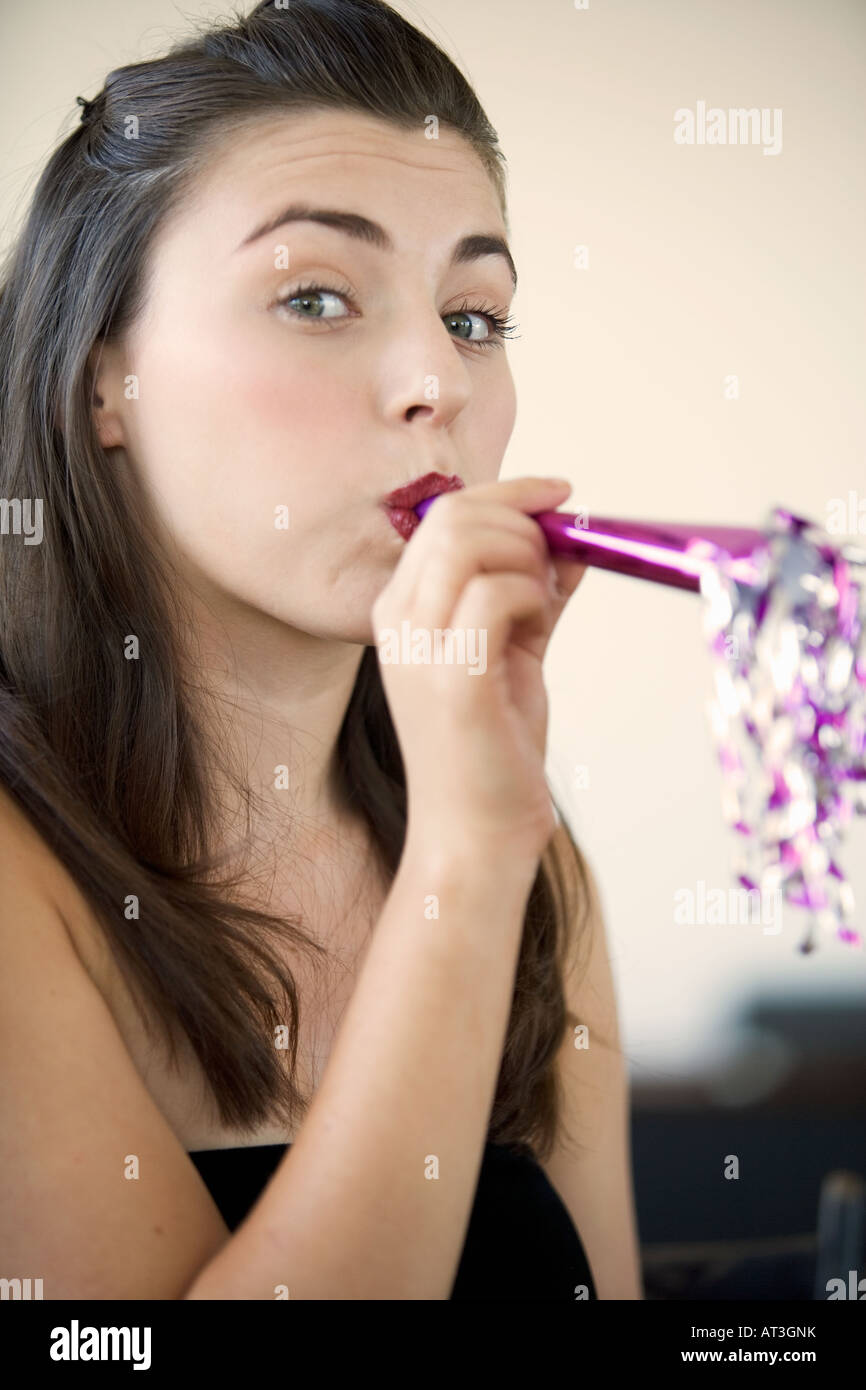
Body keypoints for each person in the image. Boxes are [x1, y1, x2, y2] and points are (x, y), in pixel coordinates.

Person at [0, 0, 641, 1298]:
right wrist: (465, 859)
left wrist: (481, 843)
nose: (436, 383)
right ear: (100, 383)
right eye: (313, 295)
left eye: (472, 316)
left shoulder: (530, 857)